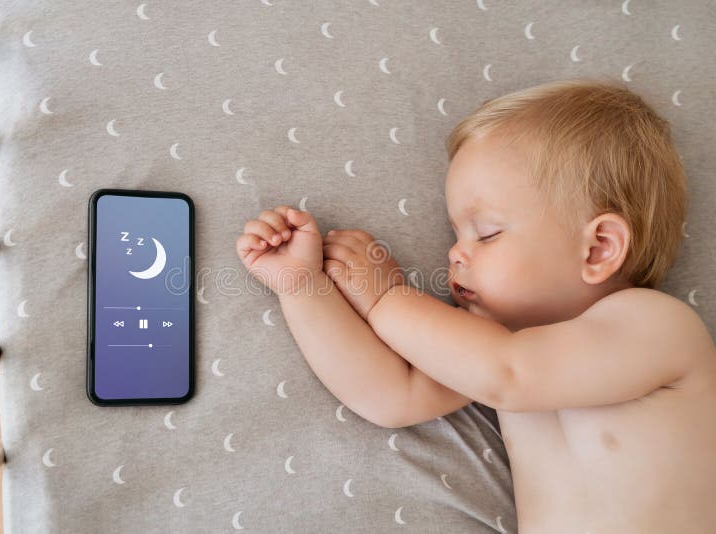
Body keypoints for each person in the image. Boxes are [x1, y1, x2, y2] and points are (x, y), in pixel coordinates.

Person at [235, 79, 716, 533]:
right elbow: (394, 395)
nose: (455, 254)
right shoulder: (496, 343)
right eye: (456, 234)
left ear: (598, 249)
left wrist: (386, 297)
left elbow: (509, 374)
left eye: (487, 233)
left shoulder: (658, 326)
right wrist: (303, 287)